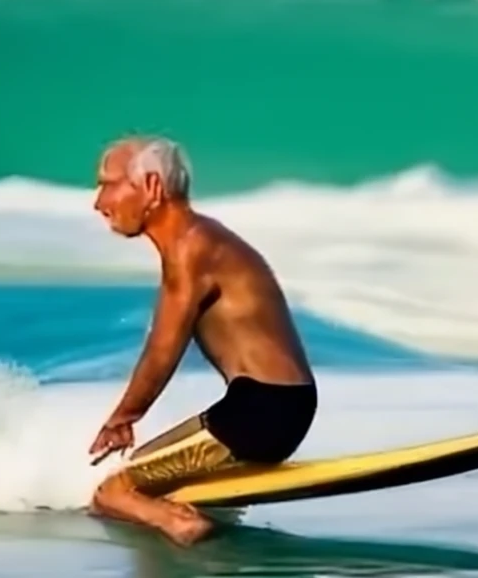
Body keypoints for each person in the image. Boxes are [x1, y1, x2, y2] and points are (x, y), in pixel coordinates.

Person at [88, 134, 317, 547]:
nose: (98, 201)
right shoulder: (200, 239)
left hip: (263, 413)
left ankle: (182, 540)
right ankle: (206, 535)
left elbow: (163, 350)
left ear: (152, 187)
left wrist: (122, 418)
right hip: (267, 407)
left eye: (108, 184)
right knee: (144, 471)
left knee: (114, 493)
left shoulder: (193, 246)